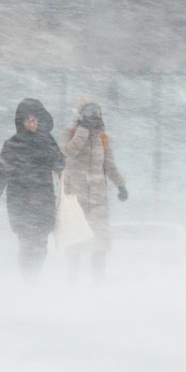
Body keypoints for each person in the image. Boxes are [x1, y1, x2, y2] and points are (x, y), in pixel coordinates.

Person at [0, 98, 66, 279]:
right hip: (21, 204)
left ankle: (33, 278)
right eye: (29, 119)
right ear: (22, 121)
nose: (33, 122)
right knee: (27, 244)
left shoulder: (46, 142)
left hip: (43, 203)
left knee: (42, 246)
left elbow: (60, 165)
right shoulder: (12, 145)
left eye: (36, 119)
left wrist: (50, 147)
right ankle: (28, 280)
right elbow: (1, 175)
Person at [61, 98, 127, 279]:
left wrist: (121, 185)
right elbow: (69, 151)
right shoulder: (70, 133)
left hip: (98, 202)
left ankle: (98, 283)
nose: (94, 122)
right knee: (74, 245)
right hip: (75, 200)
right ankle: (72, 281)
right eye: (90, 117)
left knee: (100, 245)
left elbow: (110, 166)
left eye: (96, 117)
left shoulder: (102, 140)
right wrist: (82, 131)